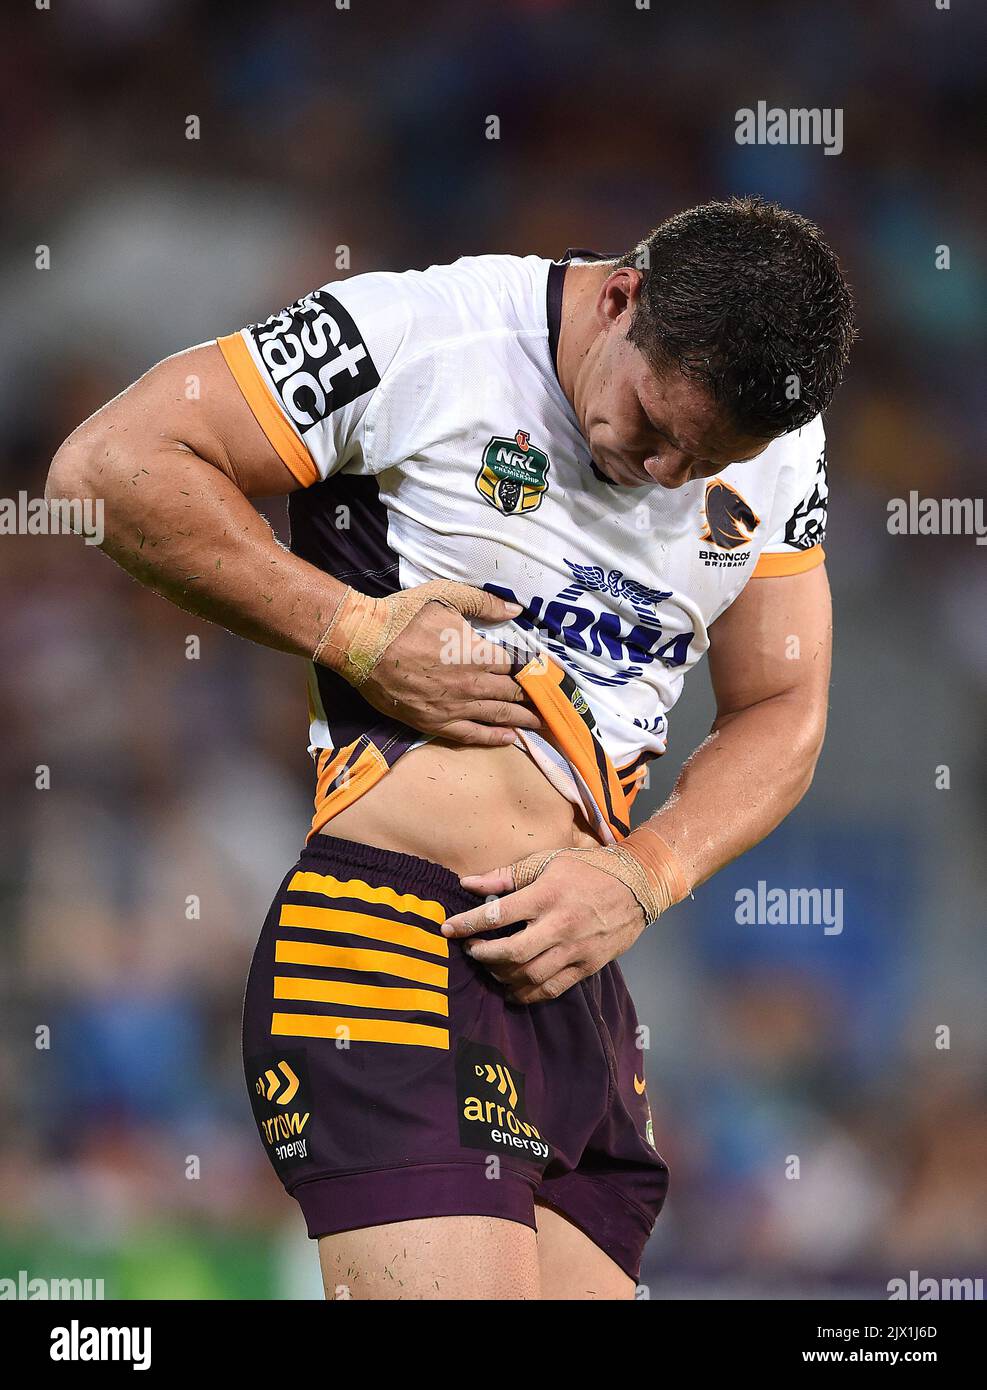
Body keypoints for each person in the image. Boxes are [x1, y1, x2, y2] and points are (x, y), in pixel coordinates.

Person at [47, 196, 854, 1300]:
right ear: (621, 297)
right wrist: (351, 628)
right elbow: (105, 464)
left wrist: (644, 875)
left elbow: (783, 709)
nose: (666, 473)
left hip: (578, 984)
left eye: (703, 458)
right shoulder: (421, 333)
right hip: (388, 939)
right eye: (655, 424)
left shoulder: (780, 445)